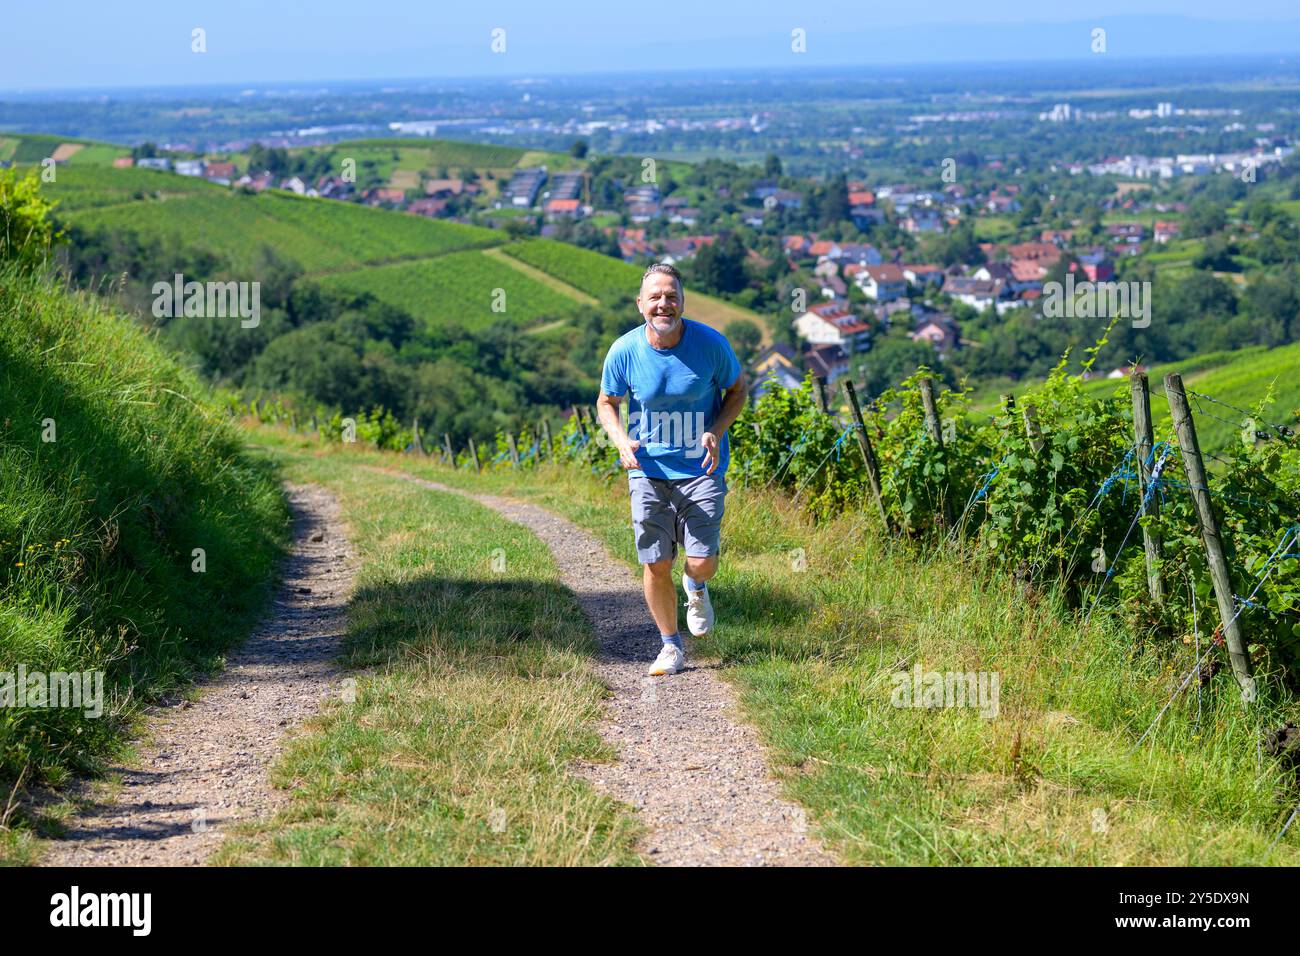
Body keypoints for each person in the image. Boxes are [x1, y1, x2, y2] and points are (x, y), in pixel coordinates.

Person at [595, 262, 748, 676]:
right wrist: (619, 438)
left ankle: (696, 587)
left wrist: (716, 430)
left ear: (682, 302)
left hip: (701, 468)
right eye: (656, 297)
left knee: (701, 560)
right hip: (647, 469)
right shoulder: (624, 350)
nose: (665, 303)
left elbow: (737, 391)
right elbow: (606, 402)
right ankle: (670, 646)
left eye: (672, 296)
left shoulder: (711, 345)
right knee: (656, 562)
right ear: (641, 304)